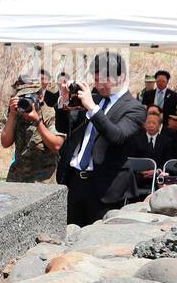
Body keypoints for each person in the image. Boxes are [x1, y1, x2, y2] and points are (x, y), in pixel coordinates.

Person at [55, 51, 147, 226]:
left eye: (105, 80)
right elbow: (64, 127)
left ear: (121, 77)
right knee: (69, 237)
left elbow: (117, 136)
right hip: (74, 180)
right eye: (96, 79)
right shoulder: (93, 98)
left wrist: (92, 108)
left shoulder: (135, 108)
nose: (99, 85)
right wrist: (64, 102)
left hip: (105, 188)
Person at [1, 75, 63, 182]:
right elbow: (5, 143)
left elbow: (56, 145)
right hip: (18, 177)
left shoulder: (49, 113)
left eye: (30, 96)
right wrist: (12, 115)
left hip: (43, 179)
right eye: (22, 96)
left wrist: (37, 121)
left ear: (40, 97)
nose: (26, 100)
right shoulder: (17, 113)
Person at [132, 105, 177, 180]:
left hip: (159, 177)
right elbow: (133, 160)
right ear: (144, 125)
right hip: (139, 176)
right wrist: (141, 171)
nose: (151, 125)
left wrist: (156, 171)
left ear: (159, 126)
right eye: (148, 122)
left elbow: (168, 161)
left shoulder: (167, 142)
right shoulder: (136, 140)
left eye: (154, 123)